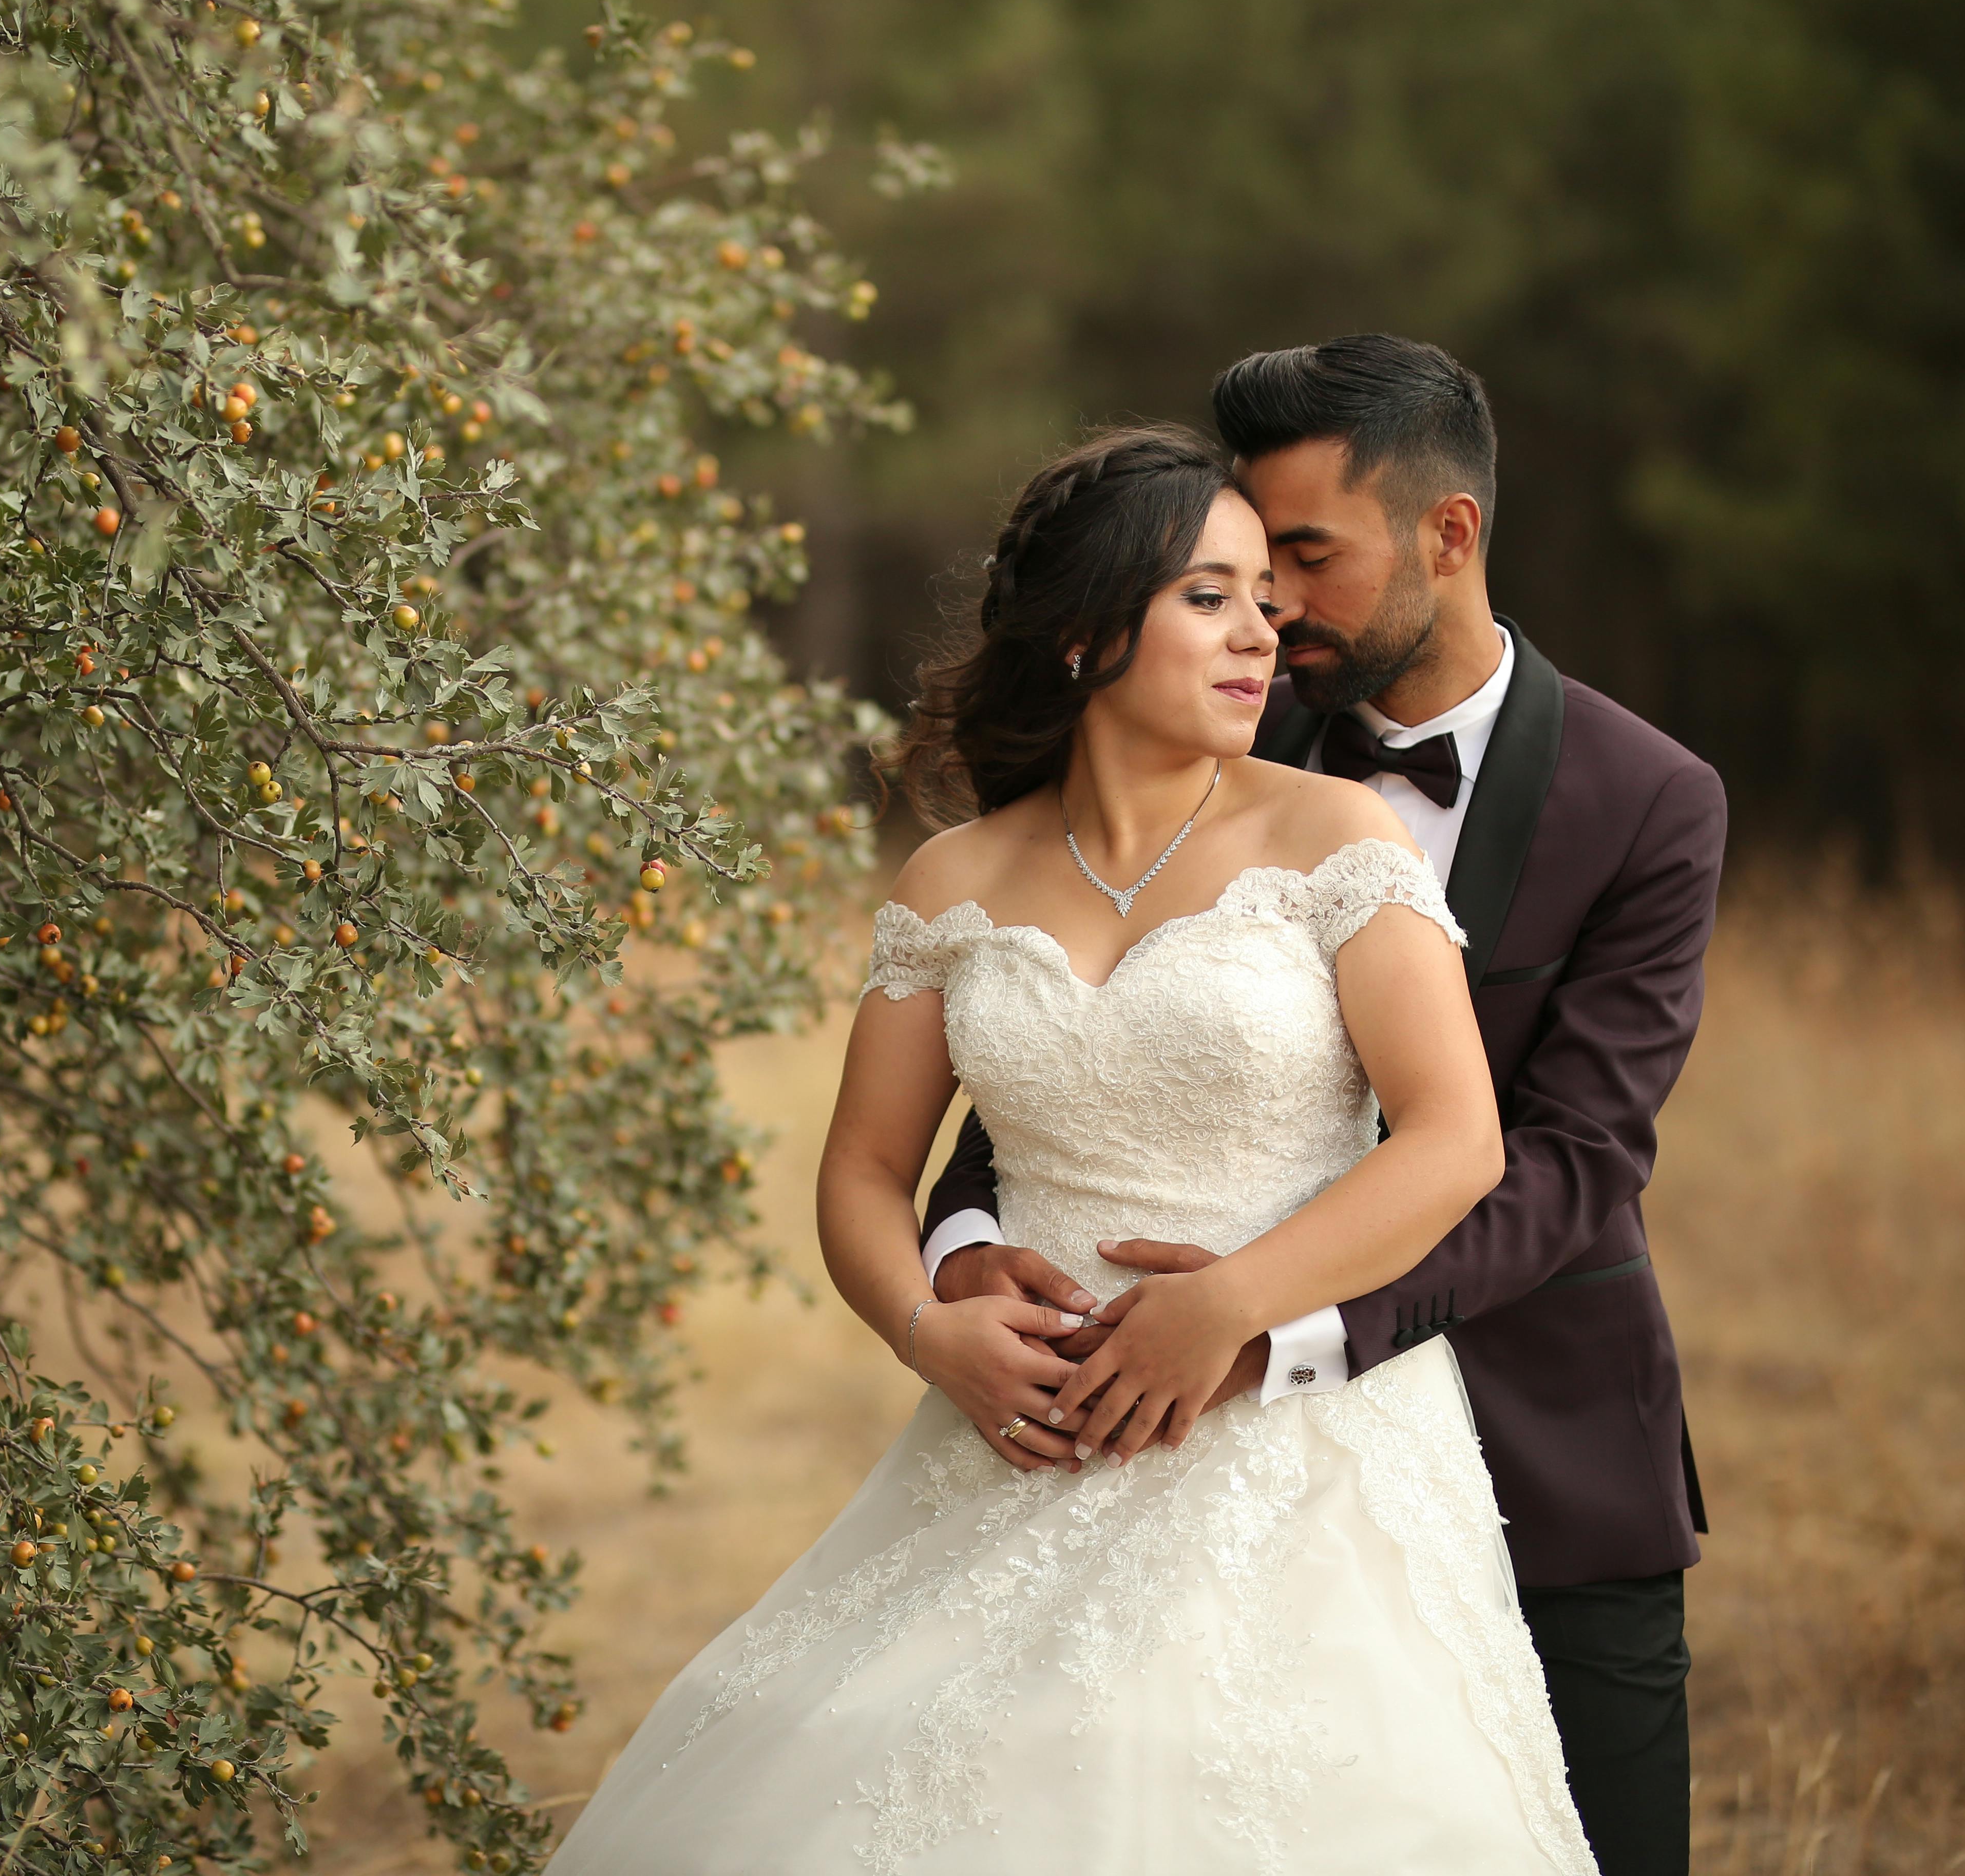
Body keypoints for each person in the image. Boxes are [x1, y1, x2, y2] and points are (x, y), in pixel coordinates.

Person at [548, 422, 1596, 1875]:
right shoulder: (954, 879)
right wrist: (931, 1332)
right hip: (1020, 1435)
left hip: (1291, 1446)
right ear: (1092, 633)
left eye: (1267, 597)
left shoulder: (1335, 838)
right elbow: (864, 1175)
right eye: (1210, 596)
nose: (1262, 629)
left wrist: (1232, 1305)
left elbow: (1457, 1141)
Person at [923, 336, 1725, 1875]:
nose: (1269, 605)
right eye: (1246, 559)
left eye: (1307, 555)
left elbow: (1572, 1161)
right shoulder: (1215, 724)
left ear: (1449, 536)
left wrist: (1270, 1332)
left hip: (1548, 1435)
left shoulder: (1651, 797)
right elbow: (1050, 1051)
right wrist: (964, 1252)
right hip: (1191, 1481)